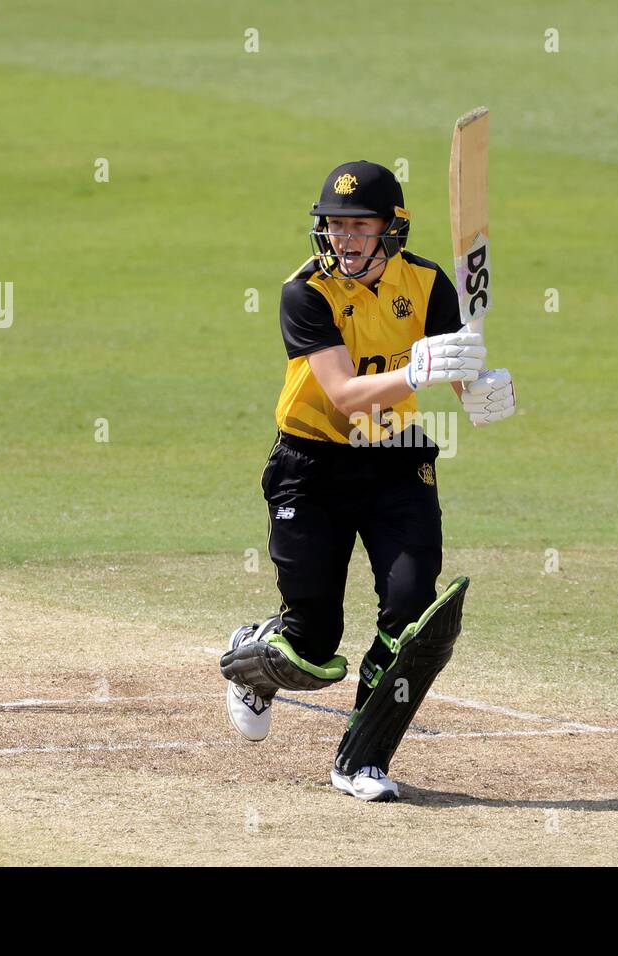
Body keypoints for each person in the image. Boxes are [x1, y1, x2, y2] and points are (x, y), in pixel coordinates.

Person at [219, 160, 516, 801]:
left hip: (395, 459)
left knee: (411, 611)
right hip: (311, 464)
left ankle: (361, 760)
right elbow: (345, 394)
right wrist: (417, 373)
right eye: (333, 226)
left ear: (392, 230)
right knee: (312, 646)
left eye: (359, 226)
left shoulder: (430, 281)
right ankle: (255, 664)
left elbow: (451, 358)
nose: (344, 239)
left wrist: (478, 389)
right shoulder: (305, 292)